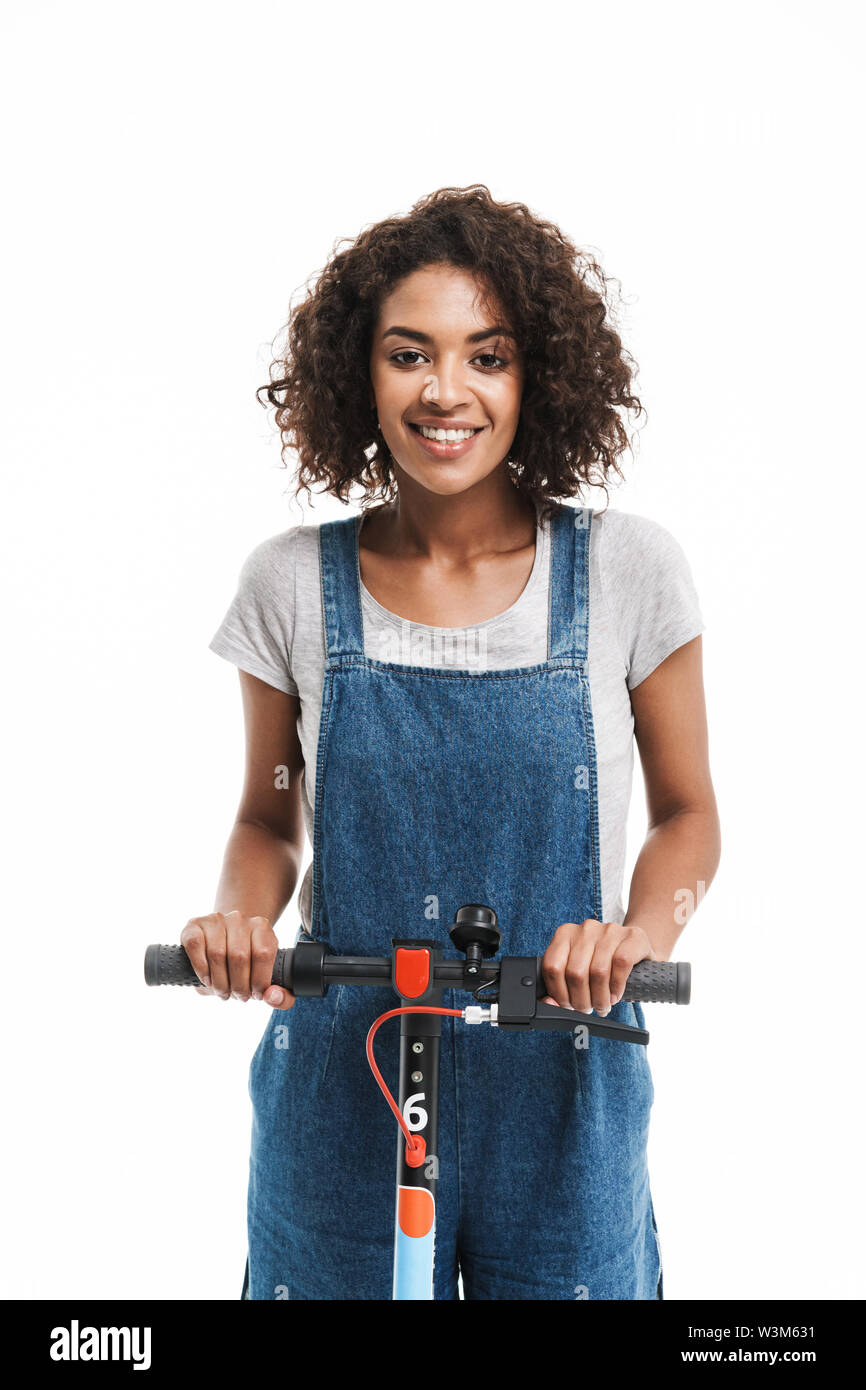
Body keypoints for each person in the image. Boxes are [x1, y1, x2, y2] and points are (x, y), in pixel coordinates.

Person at [186, 185, 722, 1300]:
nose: (446, 392)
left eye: (487, 356)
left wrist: (630, 935)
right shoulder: (291, 584)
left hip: (564, 1084)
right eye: (407, 354)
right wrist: (241, 914)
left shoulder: (627, 571)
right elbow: (265, 810)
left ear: (539, 377)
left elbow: (687, 815)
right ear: (358, 375)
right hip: (345, 1080)